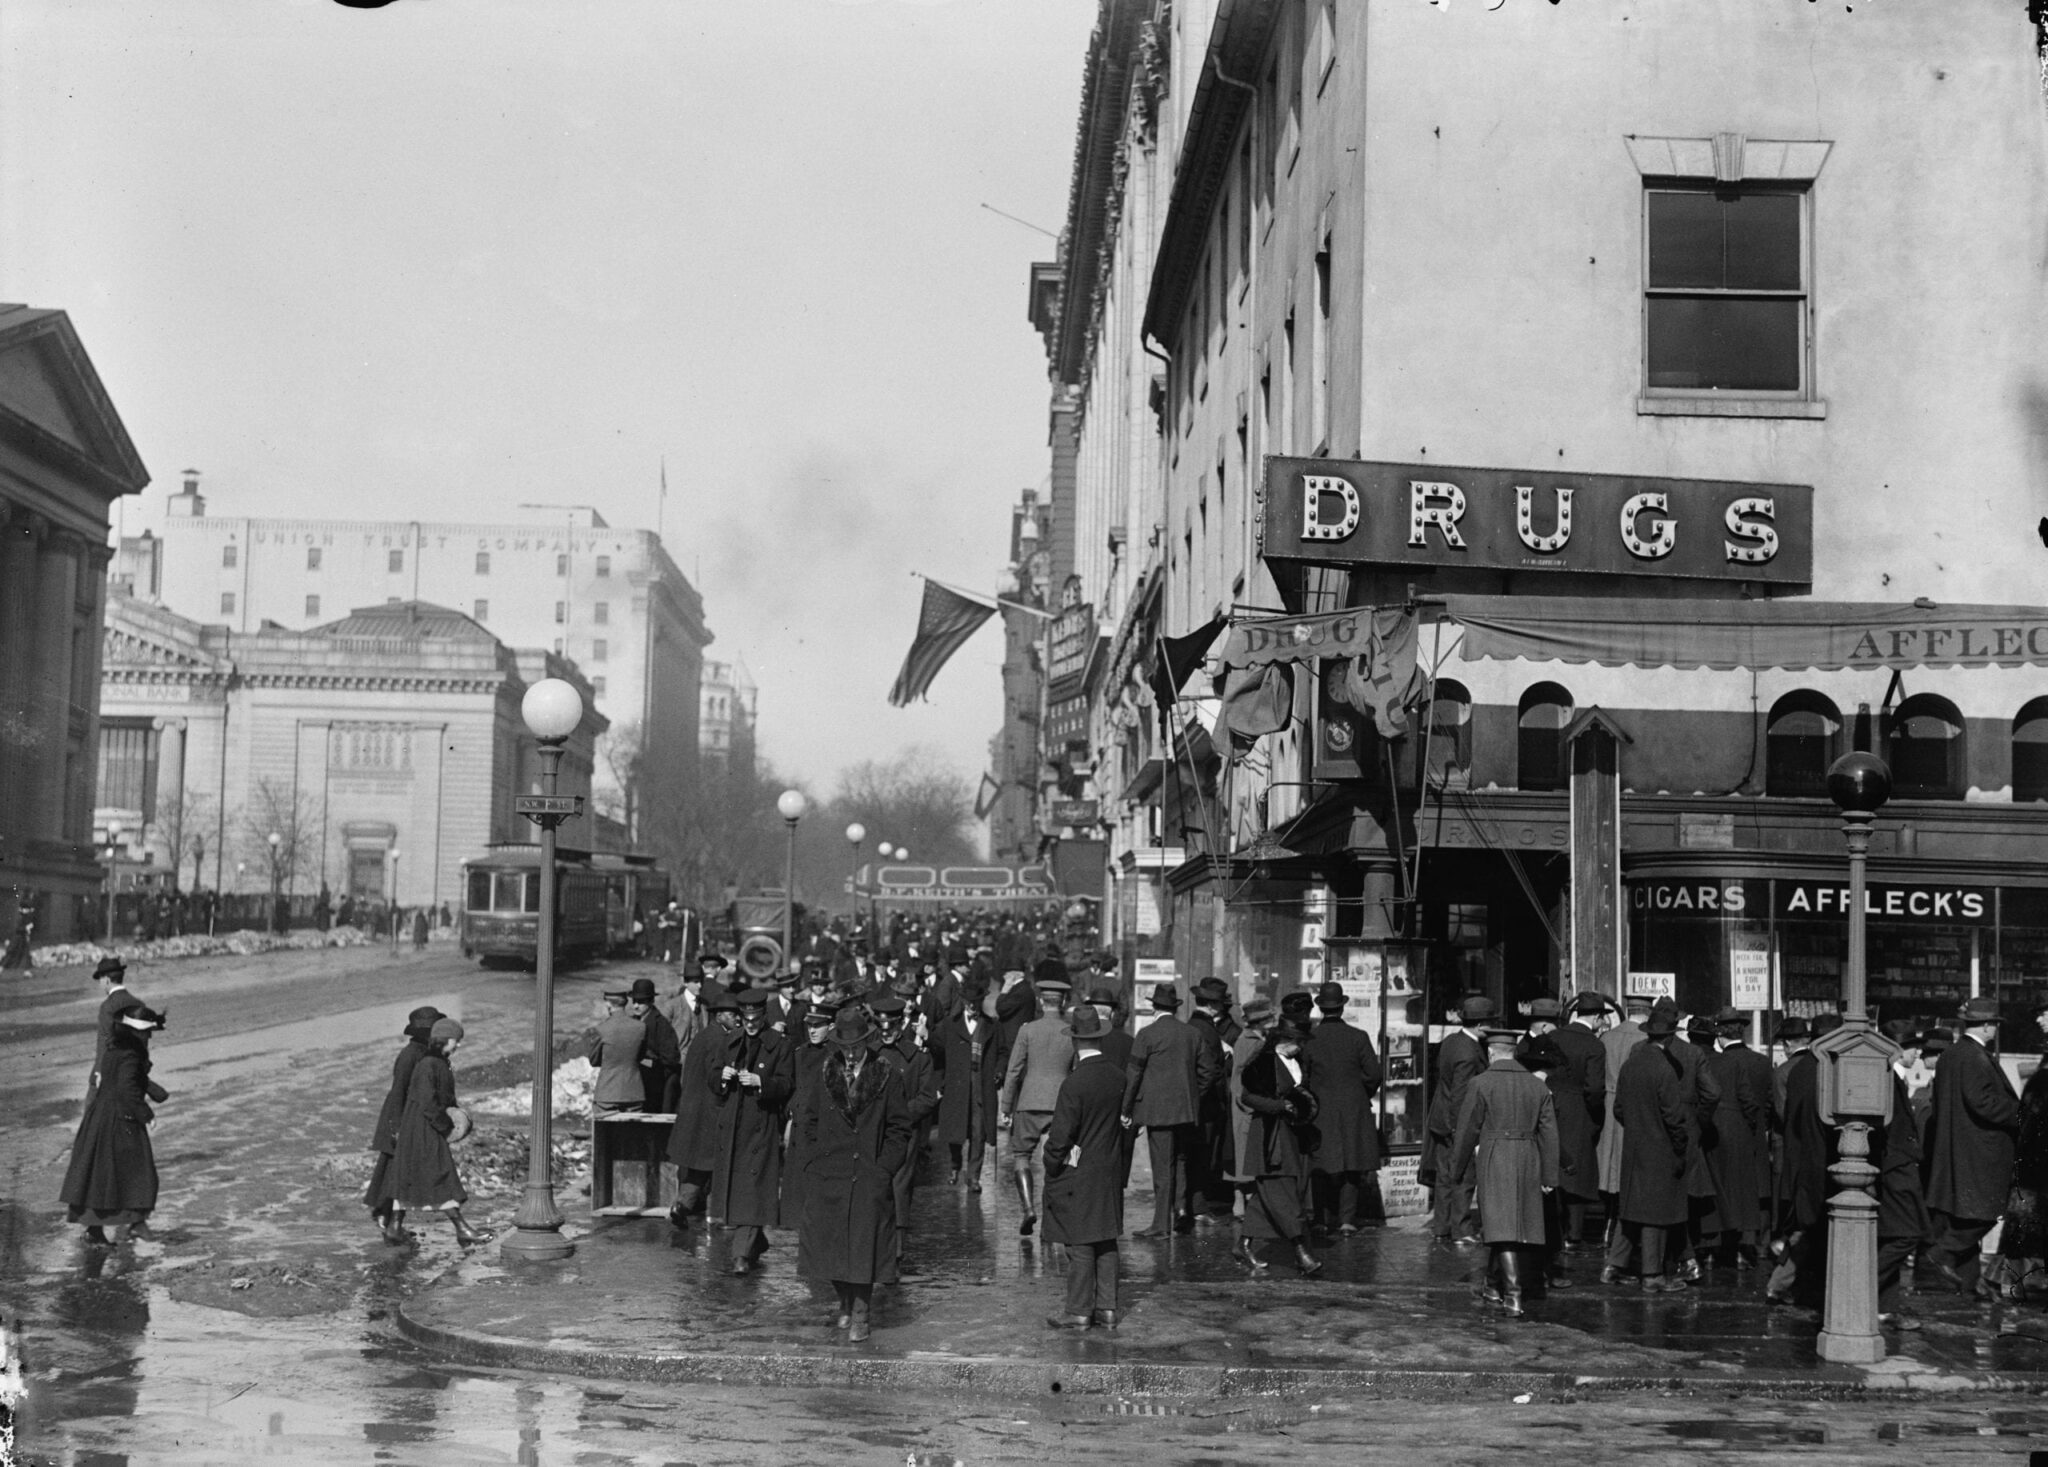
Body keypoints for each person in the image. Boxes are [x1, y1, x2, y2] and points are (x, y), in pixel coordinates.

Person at [798, 1006, 912, 1343]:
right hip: (829, 1174)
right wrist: (812, 1161)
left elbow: (899, 1129)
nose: (850, 1054)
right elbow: (809, 1120)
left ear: (867, 1042)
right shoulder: (825, 1072)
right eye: (845, 1048)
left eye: (856, 1047)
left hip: (868, 1176)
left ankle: (862, 1314)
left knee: (864, 1249)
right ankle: (844, 1301)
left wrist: (883, 1169)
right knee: (829, 1246)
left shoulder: (886, 1075)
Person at [1450, 1023, 1560, 1318]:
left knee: (1502, 1228)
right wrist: (1550, 1175)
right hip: (1528, 1156)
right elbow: (1549, 1133)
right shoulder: (1537, 1086)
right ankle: (1492, 1283)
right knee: (1509, 1226)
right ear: (1513, 1052)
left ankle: (1513, 1293)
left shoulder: (1480, 1083)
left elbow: (1466, 1131)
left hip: (1495, 1155)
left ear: (1490, 1052)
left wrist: (1456, 1169)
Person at [1924, 995, 2022, 1298]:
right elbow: (1983, 1103)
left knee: (1965, 1214)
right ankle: (1942, 1254)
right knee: (1987, 1212)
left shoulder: (1953, 1054)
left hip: (1960, 1148)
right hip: (1982, 1150)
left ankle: (1970, 1283)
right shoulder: (1974, 1056)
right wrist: (2023, 1112)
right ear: (1989, 1025)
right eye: (1994, 1024)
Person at [1043, 1002, 1127, 1330]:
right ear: (1100, 1039)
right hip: (1109, 1168)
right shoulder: (1118, 1077)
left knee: (1079, 1241)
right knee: (1106, 1239)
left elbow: (1060, 1138)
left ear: (1075, 1042)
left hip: (1079, 1171)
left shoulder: (1074, 1084)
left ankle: (1078, 1311)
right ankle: (1107, 1308)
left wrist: (1051, 1163)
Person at [60, 1003, 168, 1246]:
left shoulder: (115, 1048)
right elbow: (127, 1088)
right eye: (147, 1032)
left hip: (101, 1117)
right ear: (137, 1031)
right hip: (120, 1119)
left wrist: (157, 1092)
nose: (149, 1037)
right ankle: (137, 1223)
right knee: (140, 1172)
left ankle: (95, 1230)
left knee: (100, 1175)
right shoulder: (132, 1053)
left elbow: (126, 1079)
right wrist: (147, 1114)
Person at [1608, 1001, 1691, 1291]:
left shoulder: (1631, 1065)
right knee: (1656, 1213)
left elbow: (1618, 1109)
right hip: (1660, 1149)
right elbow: (1674, 1117)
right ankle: (1653, 1275)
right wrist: (1680, 1146)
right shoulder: (1664, 1070)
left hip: (1634, 1146)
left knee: (1631, 1209)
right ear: (1668, 1037)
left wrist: (1637, 1127)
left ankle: (1614, 1265)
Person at [1120, 982, 1213, 1238]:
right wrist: (1193, 1097)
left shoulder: (1147, 1035)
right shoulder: (1192, 1034)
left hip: (1157, 1113)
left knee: (1162, 1167)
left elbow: (1134, 1073)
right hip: (1186, 1111)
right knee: (1181, 1160)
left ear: (1153, 1007)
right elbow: (1207, 1072)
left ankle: (1161, 1224)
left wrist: (1126, 1110)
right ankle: (1181, 1210)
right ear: (1174, 1008)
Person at [711, 988, 794, 1275]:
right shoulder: (730, 1041)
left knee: (753, 1187)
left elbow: (786, 1085)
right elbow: (711, 1077)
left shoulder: (780, 1045)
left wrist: (761, 1082)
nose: (750, 1025)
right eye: (745, 1020)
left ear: (764, 1017)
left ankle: (741, 1254)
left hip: (762, 1124)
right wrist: (720, 1076)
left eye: (755, 1020)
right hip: (733, 1124)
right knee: (740, 1189)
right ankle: (755, 1242)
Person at [387, 1018, 489, 1246]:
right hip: (423, 1129)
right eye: (456, 1041)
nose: (458, 1046)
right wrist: (447, 1127)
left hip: (418, 1128)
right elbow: (428, 1103)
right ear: (444, 1040)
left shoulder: (436, 1062)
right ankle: (462, 1228)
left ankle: (394, 1227)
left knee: (409, 1178)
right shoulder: (429, 1065)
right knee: (440, 1175)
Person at [1237, 1016, 1323, 1275]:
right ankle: (1301, 1253)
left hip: (1291, 1136)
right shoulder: (1263, 1062)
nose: (1301, 1047)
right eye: (1298, 1042)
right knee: (1283, 1195)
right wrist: (1278, 1106)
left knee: (1267, 1199)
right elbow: (1247, 1096)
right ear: (1285, 1041)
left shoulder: (1295, 1062)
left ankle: (1243, 1245)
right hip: (1270, 1137)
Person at [1304, 982, 1383, 1235]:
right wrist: (1360, 1093)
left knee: (1320, 1163)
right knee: (1352, 1161)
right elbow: (1374, 1074)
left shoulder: (1309, 1039)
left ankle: (1320, 1218)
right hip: (1353, 1107)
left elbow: (1302, 1079)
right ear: (1342, 1006)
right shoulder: (1358, 1037)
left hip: (1319, 1108)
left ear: (1320, 1007)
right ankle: (1347, 1220)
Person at [1002, 974, 1076, 1236]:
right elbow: (1076, 1071)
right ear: (1064, 1001)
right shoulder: (1072, 1032)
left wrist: (1006, 1108)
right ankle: (1053, 1216)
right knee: (1056, 1160)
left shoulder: (1027, 1030)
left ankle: (1027, 1209)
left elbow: (1013, 1071)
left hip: (1029, 1102)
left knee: (1021, 1154)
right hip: (1060, 1104)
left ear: (1040, 1001)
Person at [364, 1005, 445, 1239]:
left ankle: (386, 1217)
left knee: (394, 1173)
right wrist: (397, 1128)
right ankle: (384, 1217)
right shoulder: (410, 1055)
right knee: (394, 1173)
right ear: (422, 1033)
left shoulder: (424, 1052)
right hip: (398, 1119)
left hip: (407, 1119)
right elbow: (398, 1091)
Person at [871, 991, 939, 1267]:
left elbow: (927, 1098)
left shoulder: (918, 1058)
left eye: (891, 1028)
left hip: (903, 1132)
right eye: (881, 1028)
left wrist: (898, 1115)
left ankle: (896, 1248)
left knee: (899, 1186)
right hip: (871, 1131)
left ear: (900, 1026)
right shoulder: (868, 1053)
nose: (886, 1034)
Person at [666, 988, 739, 1229]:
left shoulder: (706, 1035)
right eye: (732, 1013)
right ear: (719, 1015)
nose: (737, 1017)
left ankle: (683, 1205)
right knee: (715, 1162)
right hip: (709, 1110)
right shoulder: (720, 1040)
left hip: (693, 1107)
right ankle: (717, 1214)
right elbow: (716, 1077)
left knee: (700, 1163)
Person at [1704, 1009, 1770, 1270]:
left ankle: (1714, 1247)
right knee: (1746, 1192)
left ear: (1720, 1035)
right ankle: (1745, 1248)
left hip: (1720, 1131)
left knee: (1720, 1188)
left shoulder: (1714, 1063)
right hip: (1750, 1134)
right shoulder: (1762, 1062)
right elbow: (1767, 1104)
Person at [1992, 1000, 2048, 1303]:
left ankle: (2018, 1278)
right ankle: (2023, 1277)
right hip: (2036, 1154)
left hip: (2037, 1153)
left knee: (2025, 1215)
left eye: (2044, 1012)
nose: (2039, 1018)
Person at [1424, 995, 1492, 1245]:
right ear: (1480, 1024)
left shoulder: (1451, 1041)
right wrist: (1460, 1130)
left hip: (1441, 1119)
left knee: (1444, 1176)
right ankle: (1461, 1229)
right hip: (1456, 1122)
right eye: (1490, 1023)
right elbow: (1461, 1094)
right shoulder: (1470, 1052)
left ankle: (1441, 1226)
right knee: (1464, 1176)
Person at [1548, 994, 1609, 1249]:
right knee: (1578, 1171)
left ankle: (1554, 1230)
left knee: (1553, 1165)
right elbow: (1595, 1088)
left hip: (1551, 1105)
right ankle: (1574, 1235)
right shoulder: (1594, 1045)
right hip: (1579, 1110)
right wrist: (1595, 1114)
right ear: (1595, 1017)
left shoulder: (1554, 1037)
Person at [1596, 993, 1652, 1245]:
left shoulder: (1607, 1037)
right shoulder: (1646, 1039)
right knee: (1628, 1167)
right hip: (1633, 1107)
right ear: (1648, 1012)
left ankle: (1608, 1224)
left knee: (1609, 1165)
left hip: (1609, 1105)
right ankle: (1622, 1228)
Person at [935, 972, 1000, 1190]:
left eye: (976, 1003)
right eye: (969, 1003)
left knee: (978, 1132)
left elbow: (1003, 1052)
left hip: (981, 1086)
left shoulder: (992, 1025)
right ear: (963, 1002)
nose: (973, 1006)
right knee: (956, 1131)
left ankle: (974, 1177)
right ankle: (955, 1167)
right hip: (957, 1085)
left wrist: (998, 1072)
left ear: (981, 1002)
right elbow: (936, 1050)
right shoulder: (949, 1025)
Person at [784, 998, 838, 1226]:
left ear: (831, 1026)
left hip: (825, 1132)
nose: (812, 1031)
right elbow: (794, 1090)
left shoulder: (836, 1056)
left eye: (818, 1026)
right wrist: (789, 1115)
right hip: (799, 1129)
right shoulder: (799, 1054)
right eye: (809, 1026)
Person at [1188, 977, 1238, 1217]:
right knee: (1202, 1156)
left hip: (1197, 1103)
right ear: (1213, 1005)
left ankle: (1190, 1205)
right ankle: (1197, 1207)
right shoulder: (1207, 1030)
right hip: (1207, 1105)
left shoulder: (1191, 1025)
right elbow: (1210, 1072)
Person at [91, 956, 146, 1095]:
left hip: (111, 1070)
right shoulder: (138, 1004)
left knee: (92, 1112)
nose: (100, 984)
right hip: (134, 1069)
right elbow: (143, 1040)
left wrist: (99, 1071)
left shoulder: (107, 1007)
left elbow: (104, 1040)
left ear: (107, 980)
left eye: (100, 980)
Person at [630, 977, 682, 1112]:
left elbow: (671, 1059)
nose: (635, 1005)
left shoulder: (661, 1025)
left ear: (651, 1001)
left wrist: (647, 1064)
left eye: (641, 1002)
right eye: (634, 1001)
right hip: (635, 1083)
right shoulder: (632, 1021)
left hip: (654, 1086)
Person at [591, 991, 647, 1114]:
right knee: (632, 1132)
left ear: (608, 1004)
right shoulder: (641, 1027)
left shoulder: (601, 1029)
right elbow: (641, 1056)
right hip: (634, 1091)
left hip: (607, 1093)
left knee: (604, 1132)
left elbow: (594, 1060)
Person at [1, 888, 37, 970]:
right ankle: (1, 968)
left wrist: (27, 931)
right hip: (17, 939)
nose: (27, 911)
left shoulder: (26, 917)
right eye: (25, 909)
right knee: (11, 954)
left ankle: (27, 971)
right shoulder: (19, 918)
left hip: (23, 939)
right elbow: (17, 928)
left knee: (25, 955)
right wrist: (26, 928)